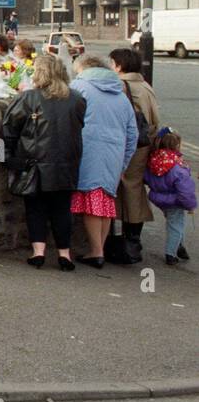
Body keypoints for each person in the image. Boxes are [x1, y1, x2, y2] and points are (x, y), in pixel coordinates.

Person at [0, 55, 86, 270]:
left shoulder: (28, 98)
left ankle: (38, 252)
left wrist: (4, 158)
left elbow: (9, 129)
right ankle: (64, 255)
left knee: (35, 207)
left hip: (34, 162)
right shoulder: (76, 99)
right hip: (66, 163)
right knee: (62, 209)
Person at [69, 54, 138, 268]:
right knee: (105, 203)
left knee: (91, 202)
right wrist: (123, 162)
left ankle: (96, 251)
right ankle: (99, 249)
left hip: (88, 151)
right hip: (114, 155)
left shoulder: (79, 87)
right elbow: (132, 133)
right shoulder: (121, 95)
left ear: (82, 69)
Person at [108, 46, 161, 264]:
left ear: (119, 66)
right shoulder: (145, 86)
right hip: (144, 145)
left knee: (124, 190)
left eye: (111, 64)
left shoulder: (122, 86)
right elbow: (155, 121)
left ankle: (126, 245)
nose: (109, 68)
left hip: (128, 145)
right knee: (134, 190)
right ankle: (132, 241)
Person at [144, 128, 196, 265]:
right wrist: (190, 206)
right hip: (175, 200)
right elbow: (185, 191)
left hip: (159, 198)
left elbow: (146, 178)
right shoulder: (178, 167)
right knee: (176, 225)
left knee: (176, 223)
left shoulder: (153, 161)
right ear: (176, 145)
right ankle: (171, 253)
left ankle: (180, 246)